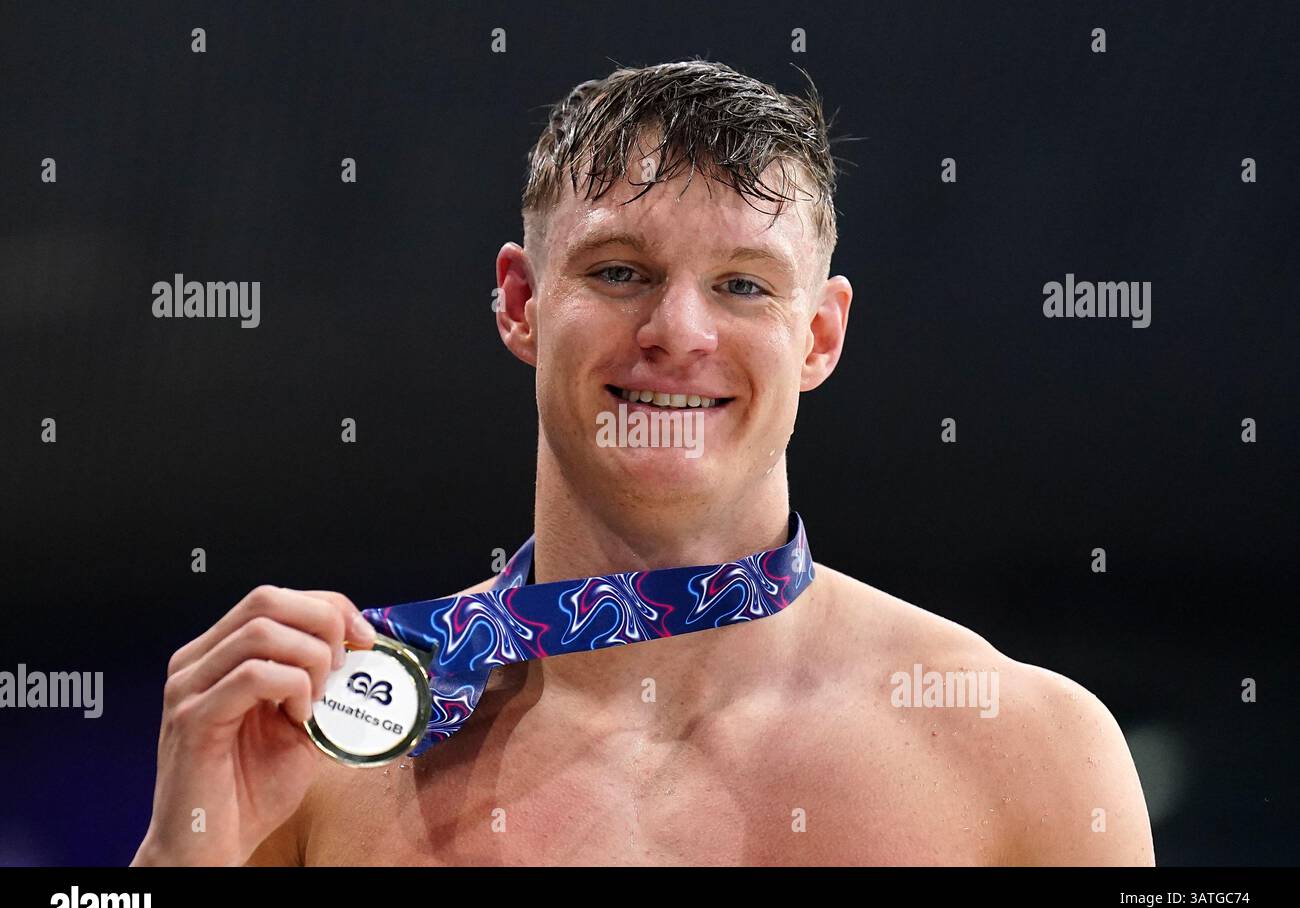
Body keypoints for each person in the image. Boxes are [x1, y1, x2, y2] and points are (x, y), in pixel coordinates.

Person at [132, 60, 1155, 866]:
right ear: (522, 301)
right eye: (619, 271)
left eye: (744, 286)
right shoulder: (320, 752)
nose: (677, 329)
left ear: (820, 336)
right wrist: (178, 862)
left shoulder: (1028, 750)